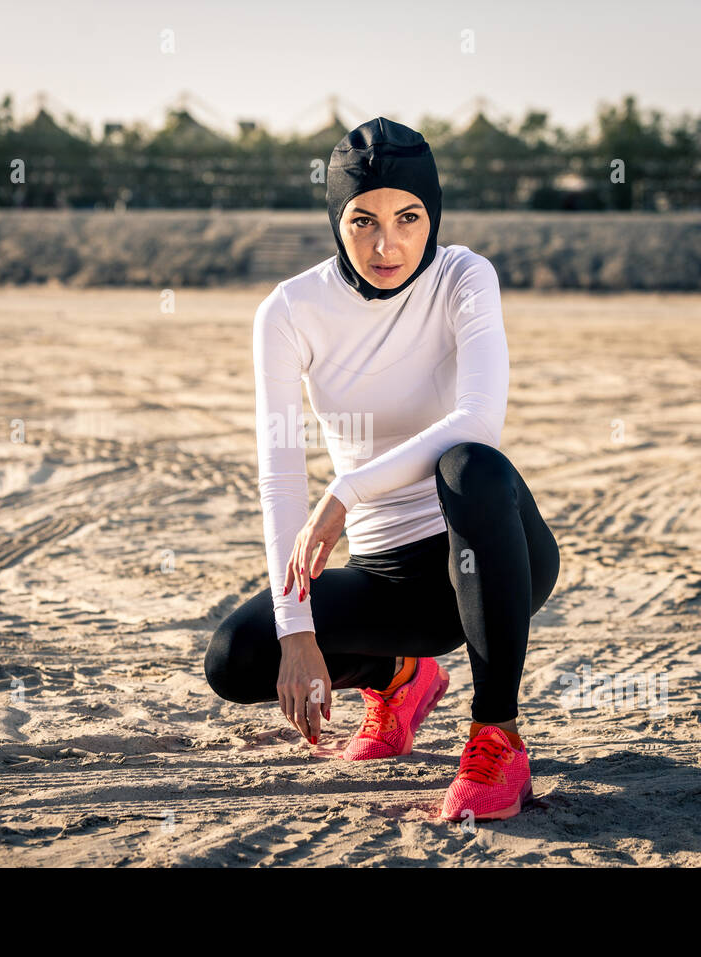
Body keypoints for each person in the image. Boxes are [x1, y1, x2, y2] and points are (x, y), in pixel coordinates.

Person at [204, 117, 560, 822]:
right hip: (391, 585)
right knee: (238, 657)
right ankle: (399, 677)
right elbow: (278, 475)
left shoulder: (465, 275)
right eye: (362, 219)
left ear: (434, 218)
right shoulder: (289, 312)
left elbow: (478, 421)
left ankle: (497, 735)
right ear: (337, 219)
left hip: (492, 554)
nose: (385, 242)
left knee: (471, 464)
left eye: (408, 217)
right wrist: (296, 629)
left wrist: (345, 491)